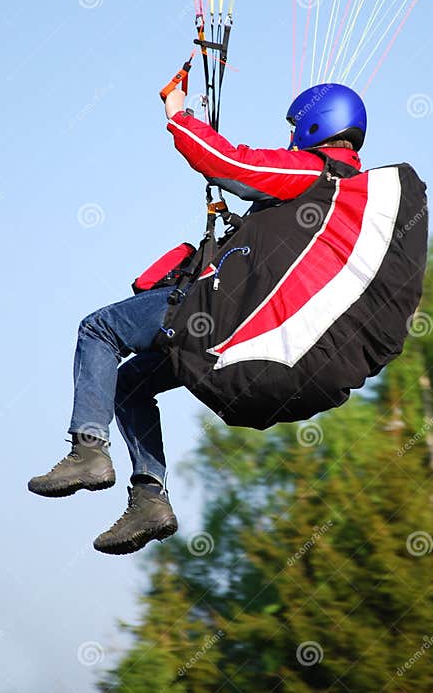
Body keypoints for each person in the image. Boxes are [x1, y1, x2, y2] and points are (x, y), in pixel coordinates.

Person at [28, 82, 367, 555]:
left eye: (295, 128)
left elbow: (231, 163)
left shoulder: (312, 171)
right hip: (243, 331)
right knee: (129, 385)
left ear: (317, 124)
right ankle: (150, 498)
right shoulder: (344, 197)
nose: (291, 139)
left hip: (217, 312)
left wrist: (178, 114)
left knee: (99, 329)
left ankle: (88, 450)